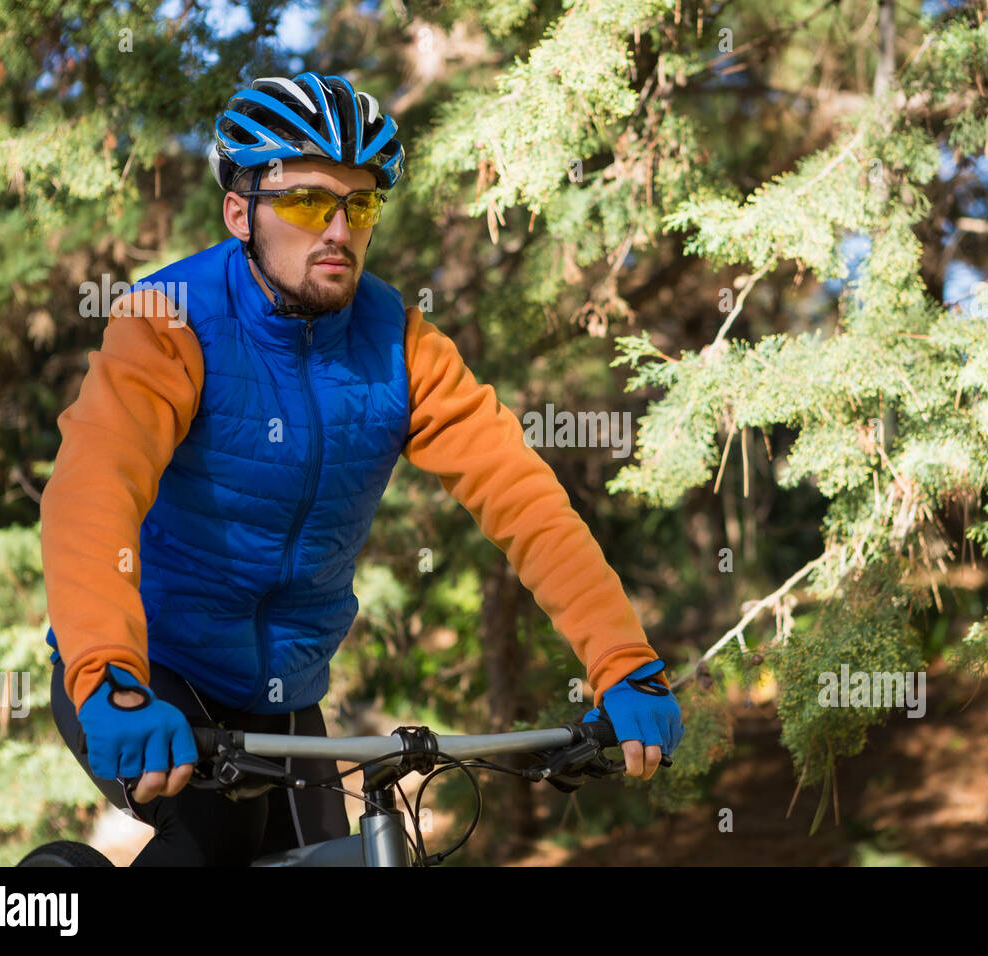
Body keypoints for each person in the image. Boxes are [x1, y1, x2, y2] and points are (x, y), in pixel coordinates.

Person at [41, 71, 685, 865]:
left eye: (361, 204)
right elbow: (91, 495)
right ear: (240, 211)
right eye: (309, 202)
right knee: (212, 845)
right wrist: (110, 679)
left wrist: (623, 663)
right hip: (150, 677)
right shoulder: (167, 320)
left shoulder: (399, 342)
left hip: (286, 702)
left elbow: (521, 498)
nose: (339, 229)